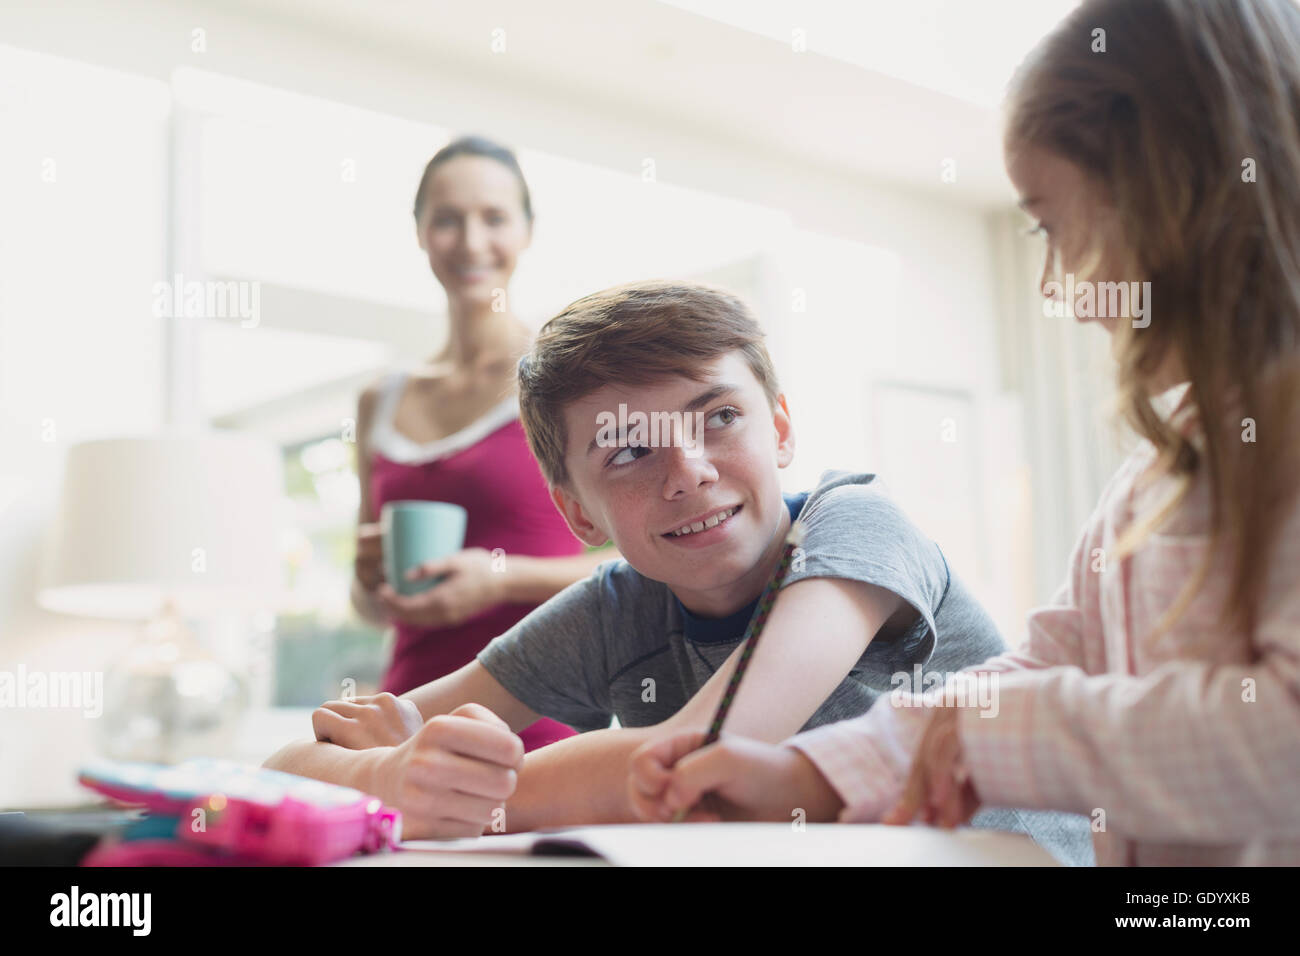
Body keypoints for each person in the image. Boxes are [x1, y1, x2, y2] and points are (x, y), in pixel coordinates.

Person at [628, 0, 1300, 866]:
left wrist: (1015, 734)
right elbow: (1047, 665)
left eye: (1057, 228)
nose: (1055, 287)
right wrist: (815, 775)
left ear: (1182, 198)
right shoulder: (1153, 474)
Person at [269, 280, 1092, 863]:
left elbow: (698, 760)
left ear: (779, 430)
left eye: (720, 419)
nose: (689, 471)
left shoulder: (856, 532)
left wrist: (442, 790)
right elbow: (283, 767)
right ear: (579, 515)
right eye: (628, 450)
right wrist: (382, 771)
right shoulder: (615, 607)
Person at [350, 135, 617, 752]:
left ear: (526, 231)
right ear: (419, 232)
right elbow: (368, 605)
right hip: (403, 726)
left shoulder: (572, 377)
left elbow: (636, 566)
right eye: (447, 219)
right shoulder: (380, 400)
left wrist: (499, 579)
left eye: (494, 218)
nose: (471, 242)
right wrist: (370, 580)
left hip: (540, 722)